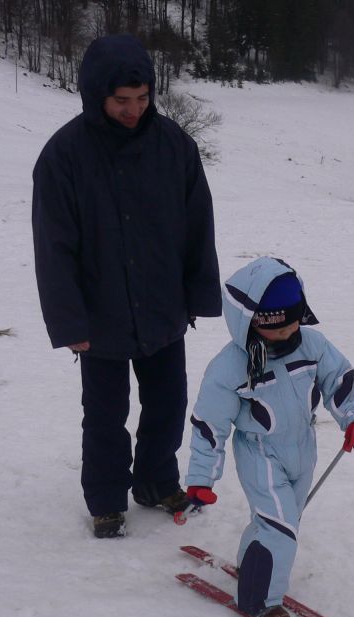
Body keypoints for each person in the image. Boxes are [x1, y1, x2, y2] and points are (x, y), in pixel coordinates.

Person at [32, 34, 221, 539]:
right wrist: (69, 321)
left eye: (142, 99)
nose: (134, 110)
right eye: (121, 101)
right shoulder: (64, 156)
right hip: (100, 314)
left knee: (168, 404)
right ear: (96, 95)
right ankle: (107, 499)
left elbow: (197, 223)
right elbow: (54, 248)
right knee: (105, 414)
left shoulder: (174, 145)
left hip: (162, 306)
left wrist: (199, 294)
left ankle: (157, 482)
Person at [181, 257, 354, 617]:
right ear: (251, 323)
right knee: (281, 527)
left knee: (279, 521)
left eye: (292, 324)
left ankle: (254, 568)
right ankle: (261, 602)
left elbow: (341, 380)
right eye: (276, 329)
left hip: (303, 447)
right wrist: (201, 479)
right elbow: (209, 425)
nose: (287, 335)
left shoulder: (312, 345)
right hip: (260, 452)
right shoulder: (231, 366)